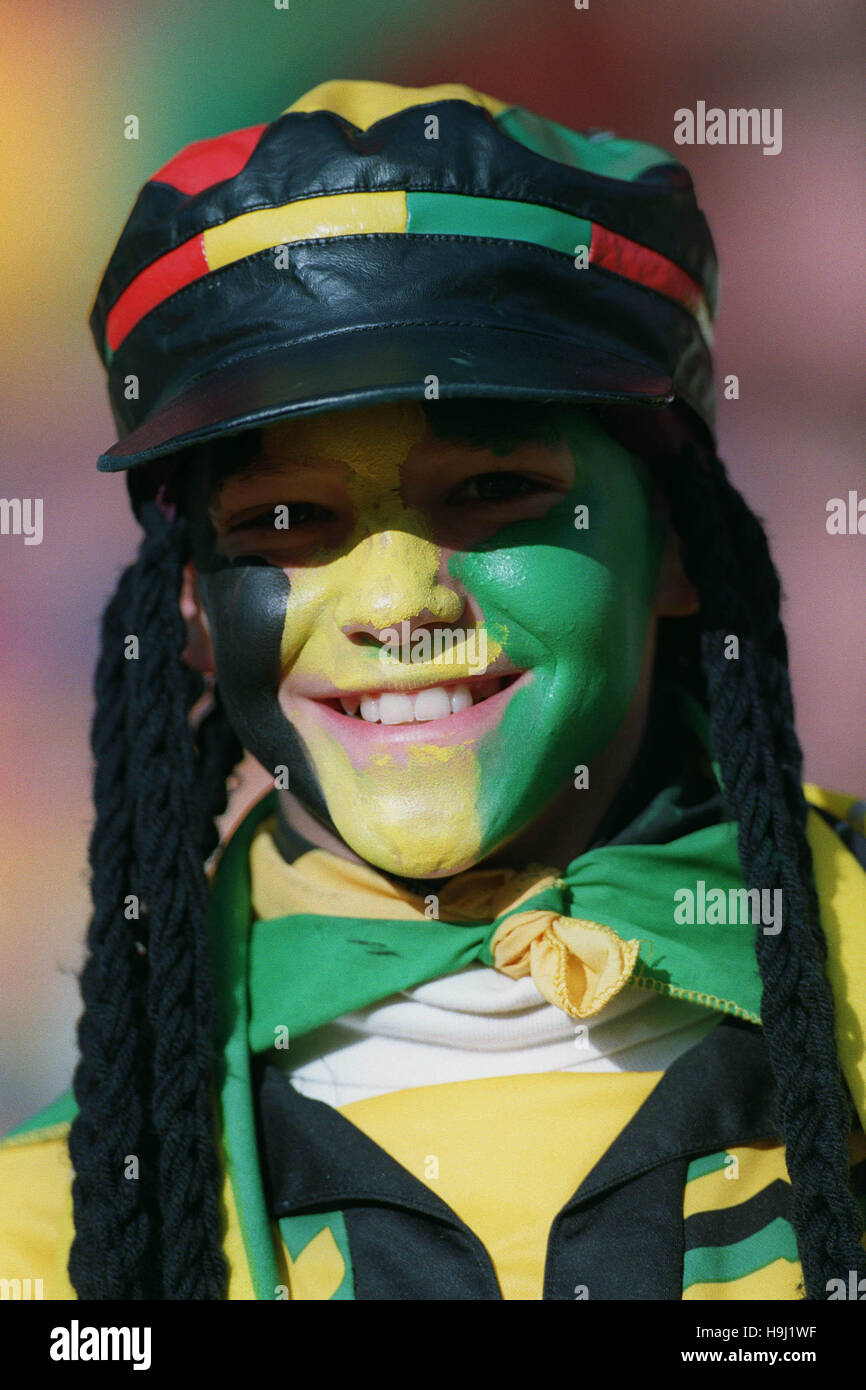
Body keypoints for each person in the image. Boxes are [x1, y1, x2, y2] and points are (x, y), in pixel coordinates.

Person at [1, 79, 864, 1302]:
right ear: (191, 611)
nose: (398, 604)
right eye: (287, 520)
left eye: (491, 490)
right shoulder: (52, 1240)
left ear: (672, 542)